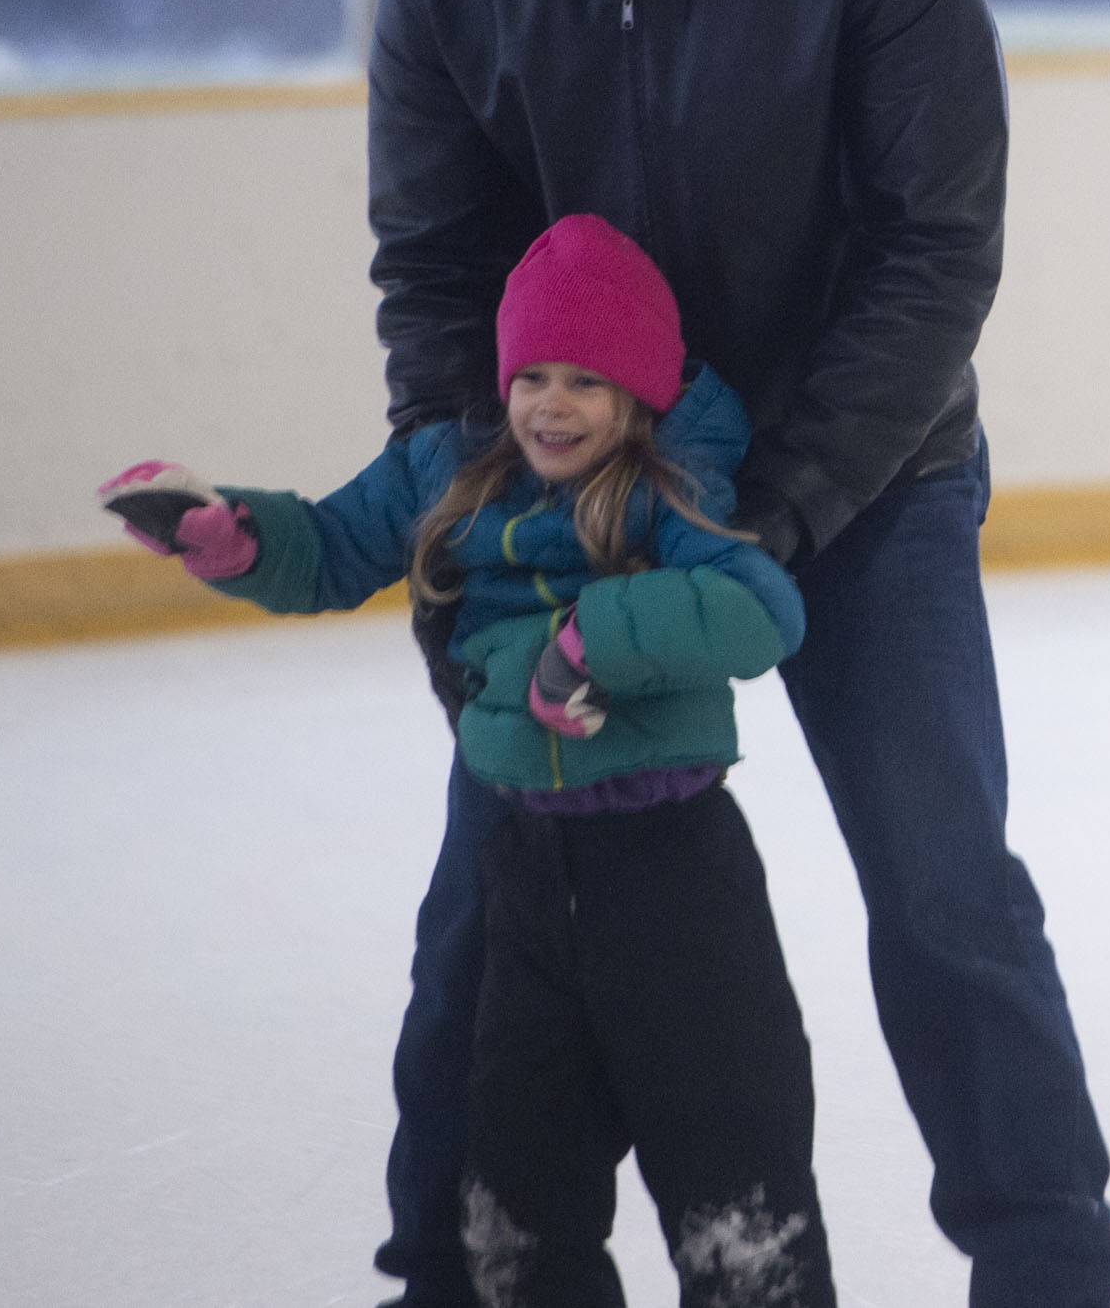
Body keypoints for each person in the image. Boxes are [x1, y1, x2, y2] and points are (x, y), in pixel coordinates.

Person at [364, 0, 1110, 1308]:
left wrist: (774, 515)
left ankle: (1052, 1273)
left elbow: (940, 247)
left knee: (944, 889)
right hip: (590, 513)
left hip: (862, 492)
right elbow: (436, 269)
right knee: (485, 915)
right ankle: (446, 1280)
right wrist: (467, 515)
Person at [101, 214, 834, 1308]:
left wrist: (590, 642)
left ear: (637, 395)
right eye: (532, 374)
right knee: (519, 1208)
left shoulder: (664, 491)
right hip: (525, 873)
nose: (550, 403)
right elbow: (334, 545)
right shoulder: (446, 470)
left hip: (675, 878)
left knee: (737, 1195)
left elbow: (757, 609)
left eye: (585, 380)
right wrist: (233, 537)